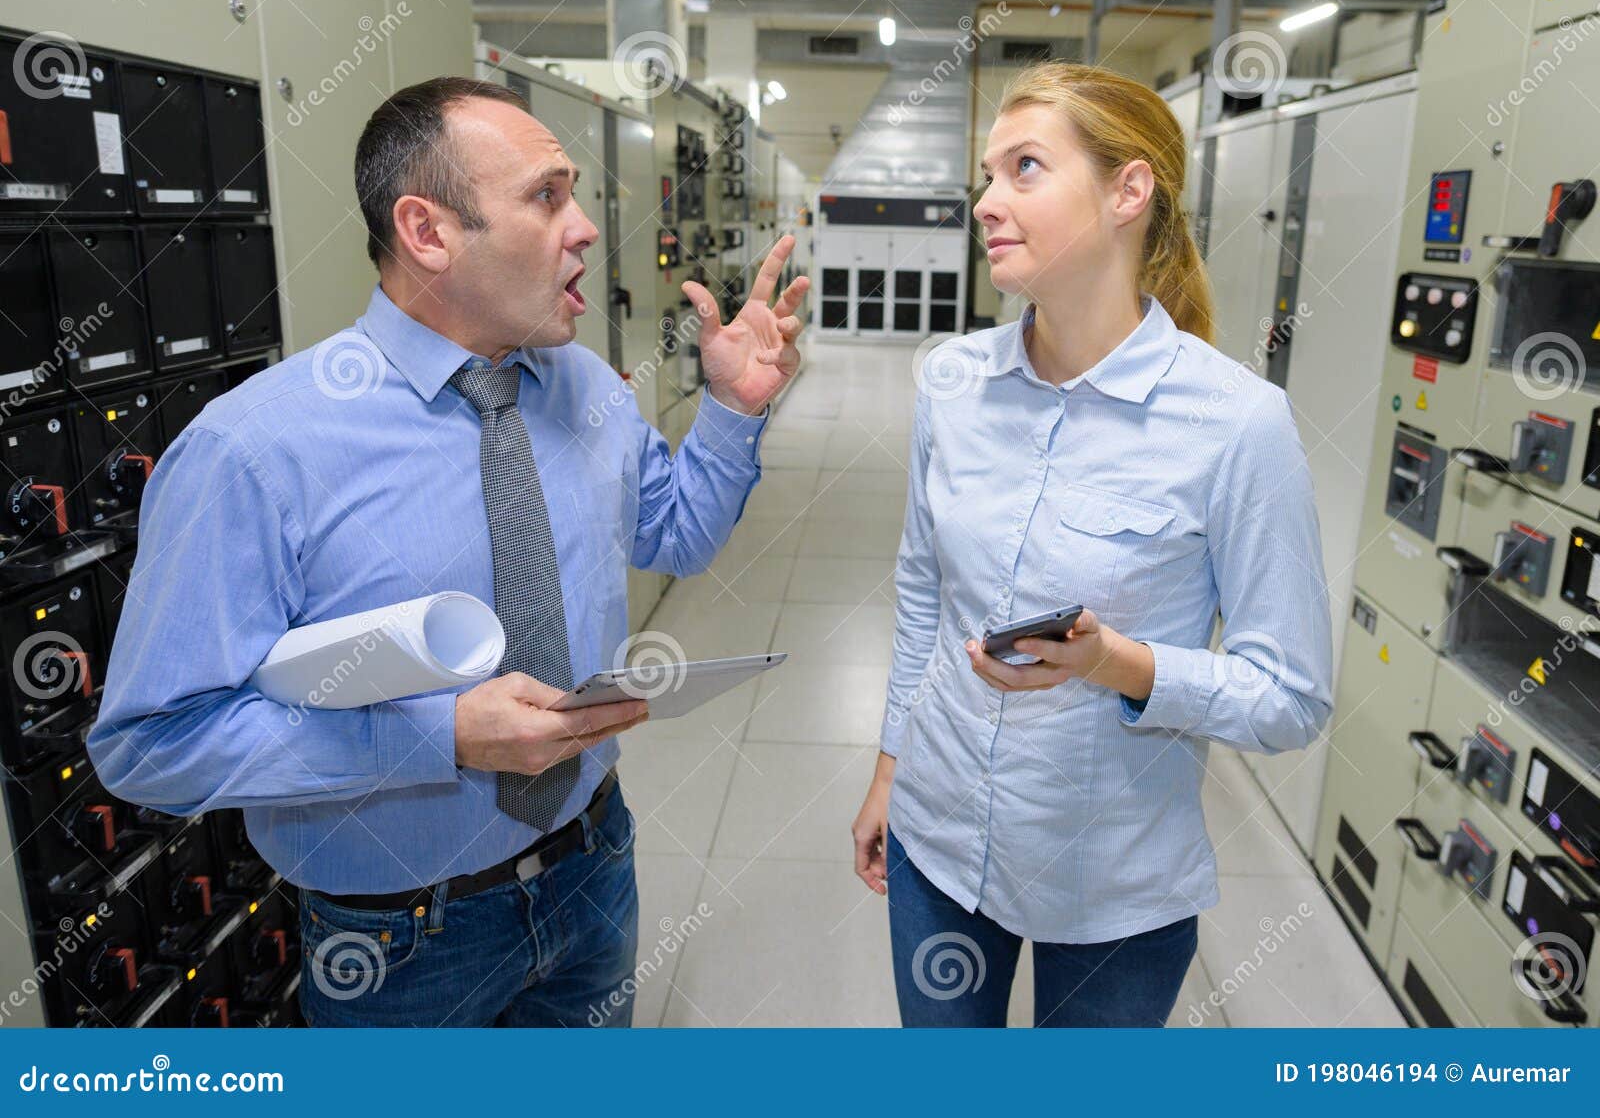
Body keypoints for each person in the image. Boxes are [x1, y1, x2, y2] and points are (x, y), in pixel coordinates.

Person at [89, 76, 808, 1027]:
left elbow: (671, 533)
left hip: (594, 869)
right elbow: (150, 744)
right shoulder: (257, 451)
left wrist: (732, 413)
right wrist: (438, 737)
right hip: (400, 944)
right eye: (548, 197)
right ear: (428, 232)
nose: (587, 227)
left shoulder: (586, 386)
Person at [850, 62, 1333, 1028]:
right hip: (936, 843)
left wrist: (1119, 663)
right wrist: (891, 768)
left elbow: (1292, 696)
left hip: (1114, 887)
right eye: (986, 174)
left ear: (1128, 190)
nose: (986, 202)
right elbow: (919, 595)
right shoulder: (952, 380)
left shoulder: (1237, 424)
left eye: (1024, 169)